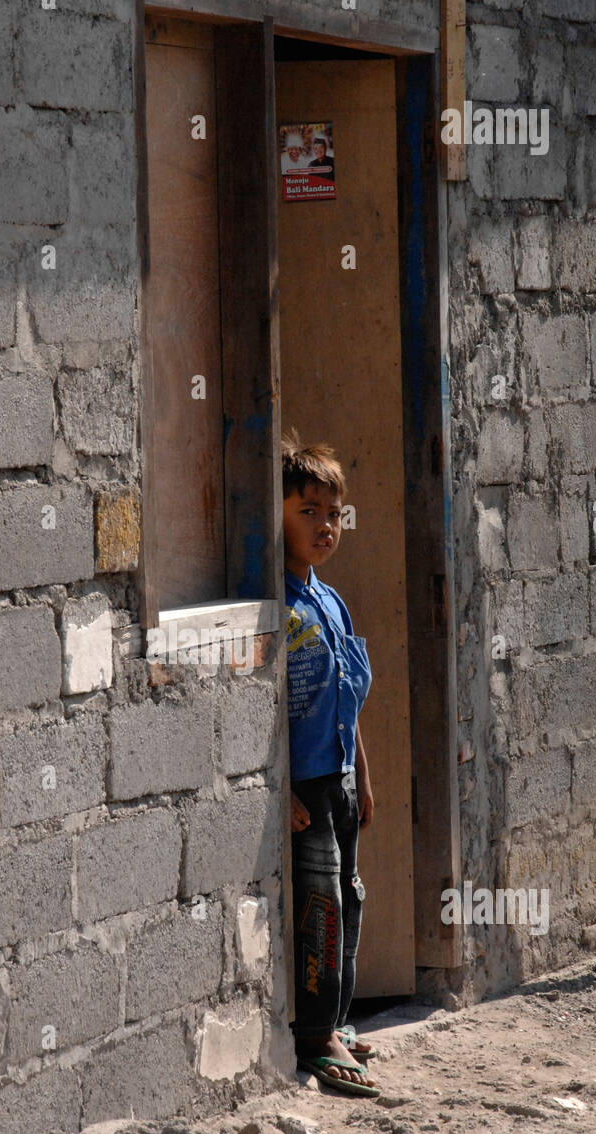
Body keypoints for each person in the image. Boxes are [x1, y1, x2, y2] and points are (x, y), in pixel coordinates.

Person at [282, 430, 378, 1096]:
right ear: (279, 515)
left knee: (347, 898)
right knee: (319, 907)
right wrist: (277, 789)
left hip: (340, 780)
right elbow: (263, 713)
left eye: (332, 513)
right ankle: (314, 1036)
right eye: (307, 511)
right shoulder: (279, 607)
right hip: (306, 787)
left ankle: (337, 1022)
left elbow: (347, 702)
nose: (324, 525)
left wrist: (363, 776)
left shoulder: (331, 601)